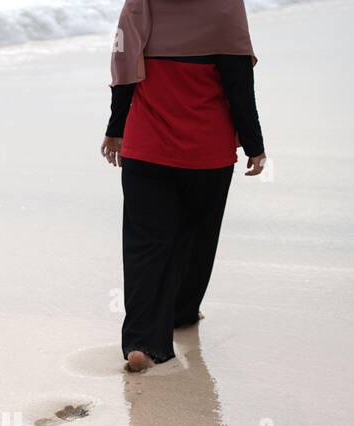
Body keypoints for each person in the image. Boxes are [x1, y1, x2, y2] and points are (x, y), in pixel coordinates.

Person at [102, 0, 267, 372]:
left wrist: (115, 129)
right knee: (196, 236)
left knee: (146, 246)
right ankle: (182, 313)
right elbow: (239, 84)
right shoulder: (225, 7)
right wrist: (255, 146)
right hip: (206, 156)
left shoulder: (141, 4)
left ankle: (143, 341)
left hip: (146, 150)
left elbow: (124, 69)